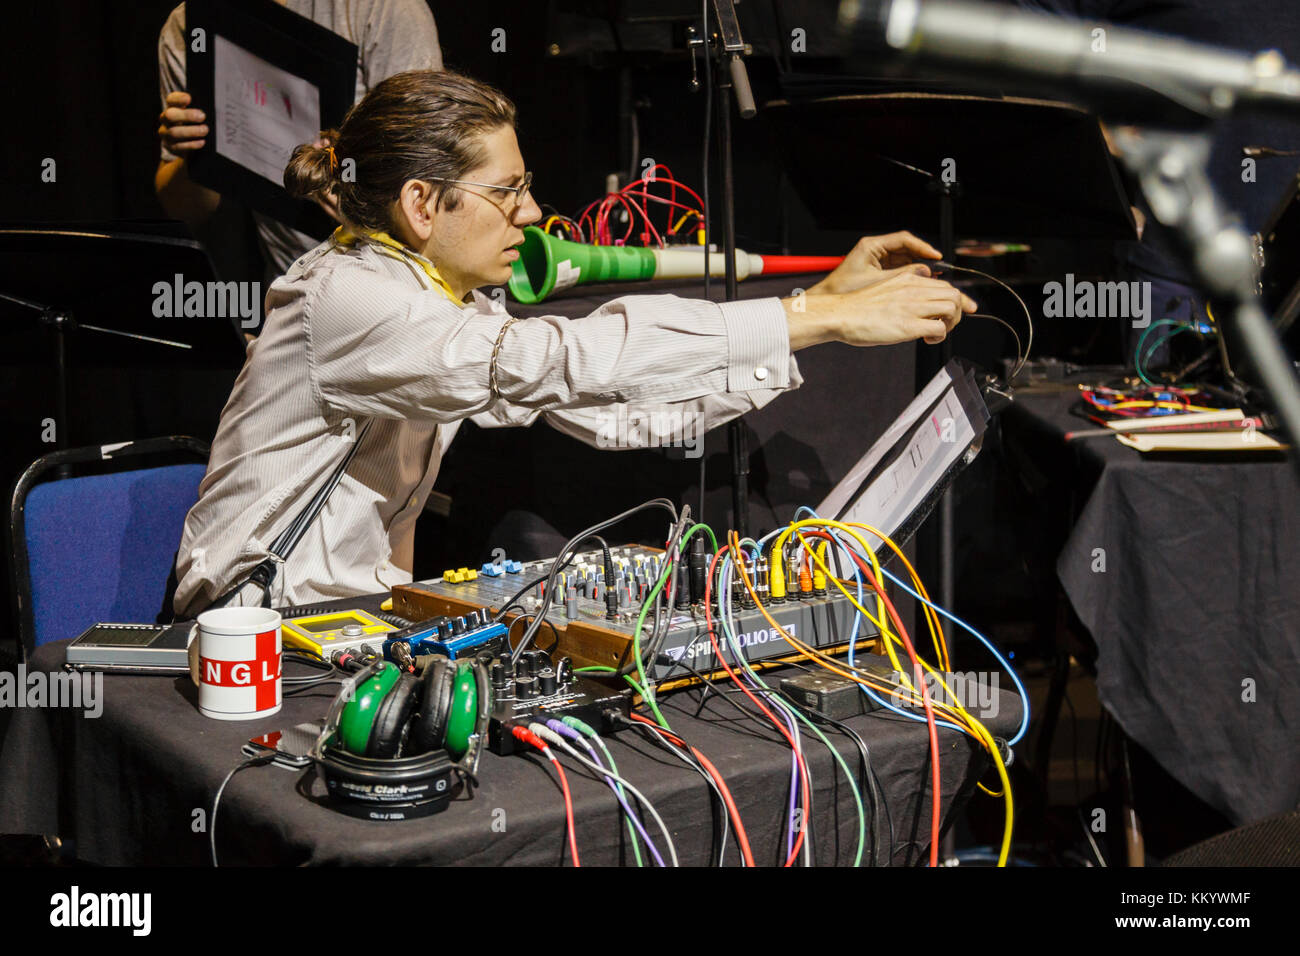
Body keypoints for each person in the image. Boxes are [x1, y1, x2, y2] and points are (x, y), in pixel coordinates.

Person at [169, 69, 975, 618]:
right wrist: (808, 316)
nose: (531, 211)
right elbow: (557, 360)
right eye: (507, 189)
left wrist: (811, 316)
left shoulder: (438, 296)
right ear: (421, 204)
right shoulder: (353, 299)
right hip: (258, 634)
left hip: (350, 623)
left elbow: (598, 405)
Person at [154, 0, 443, 320]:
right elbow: (187, 210)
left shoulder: (383, 8)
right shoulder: (191, 25)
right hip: (295, 295)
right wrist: (193, 154)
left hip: (401, 294)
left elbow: (434, 178)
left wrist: (362, 195)